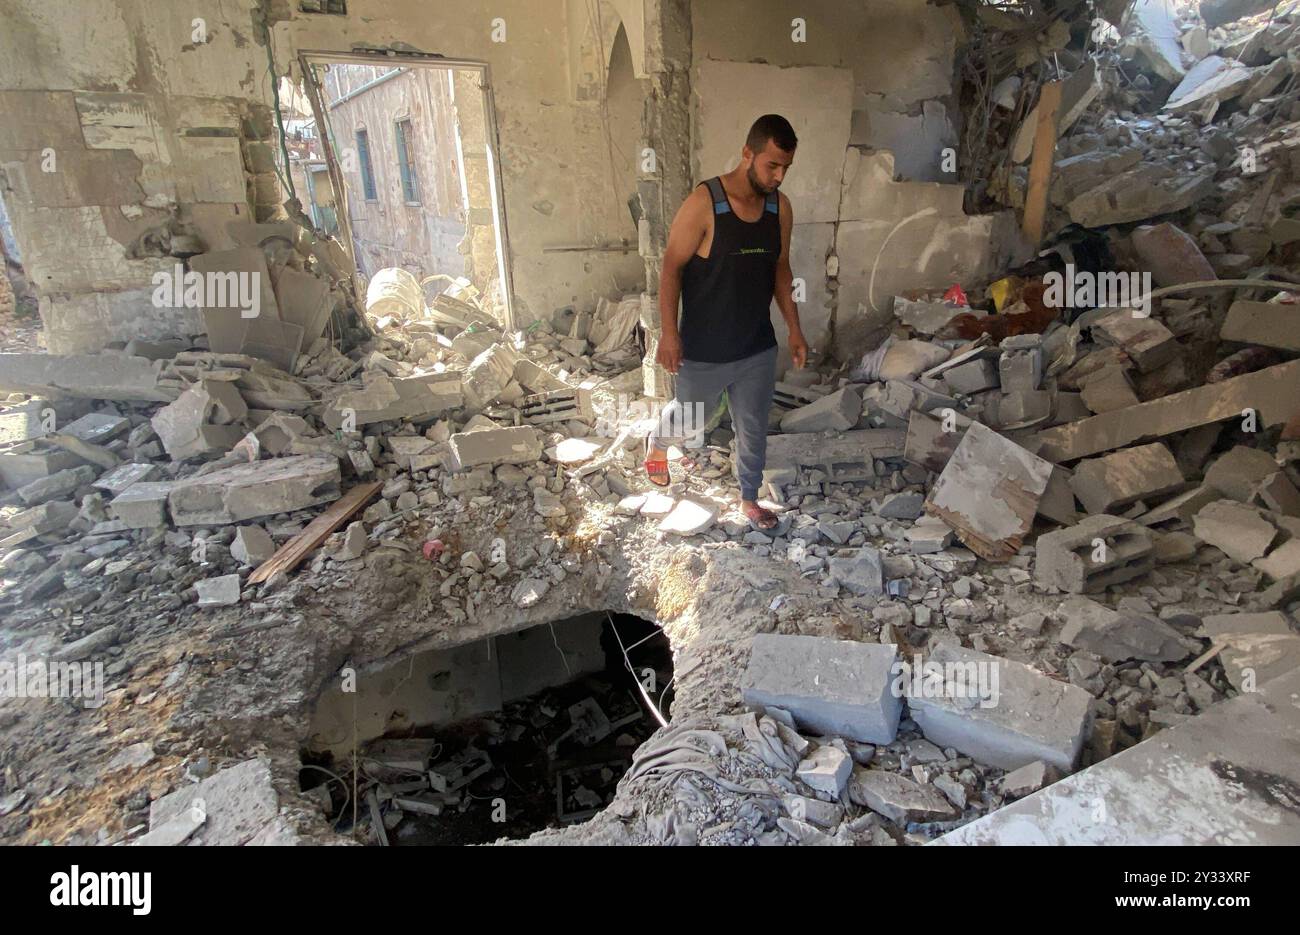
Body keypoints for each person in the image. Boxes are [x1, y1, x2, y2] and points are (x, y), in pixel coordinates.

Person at [643, 114, 807, 530]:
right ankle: (658, 441)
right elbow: (670, 269)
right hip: (704, 347)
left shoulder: (779, 208)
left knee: (753, 427)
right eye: (772, 165)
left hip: (756, 345)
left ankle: (749, 498)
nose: (778, 176)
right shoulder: (705, 203)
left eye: (786, 167)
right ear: (747, 153)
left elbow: (781, 269)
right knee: (693, 418)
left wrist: (794, 328)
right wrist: (669, 334)